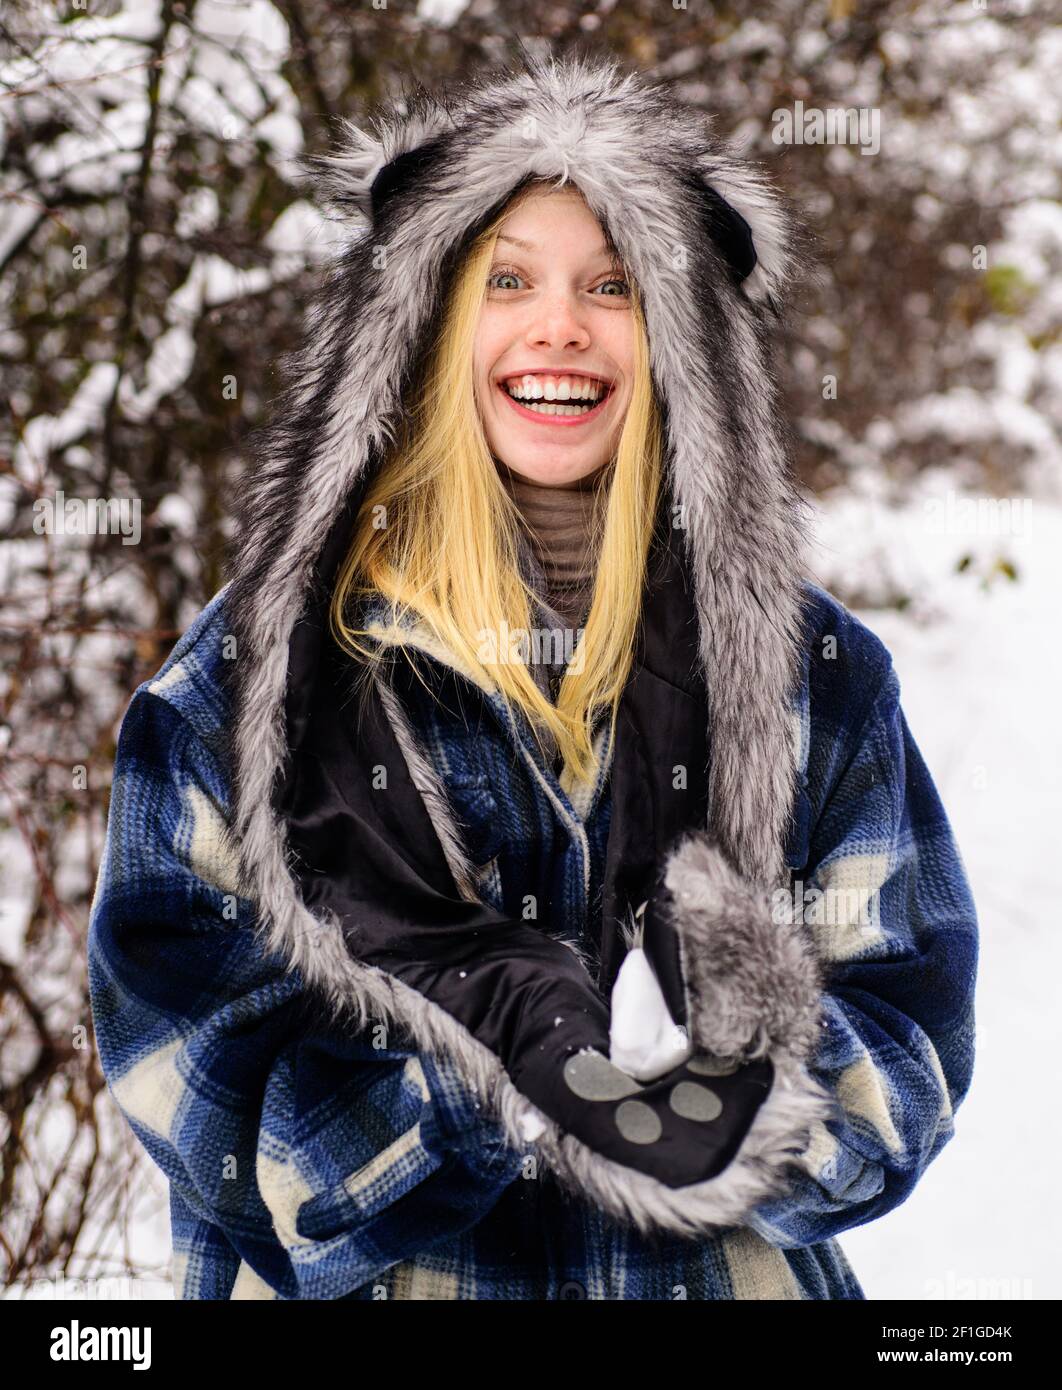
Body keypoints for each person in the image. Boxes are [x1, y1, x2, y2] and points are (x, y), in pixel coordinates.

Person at [87, 53, 979, 1300]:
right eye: (507, 278)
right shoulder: (253, 683)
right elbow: (192, 1088)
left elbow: (911, 1059)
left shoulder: (808, 676)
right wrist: (486, 1076)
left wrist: (724, 1065)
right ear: (425, 325)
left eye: (614, 284)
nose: (559, 325)